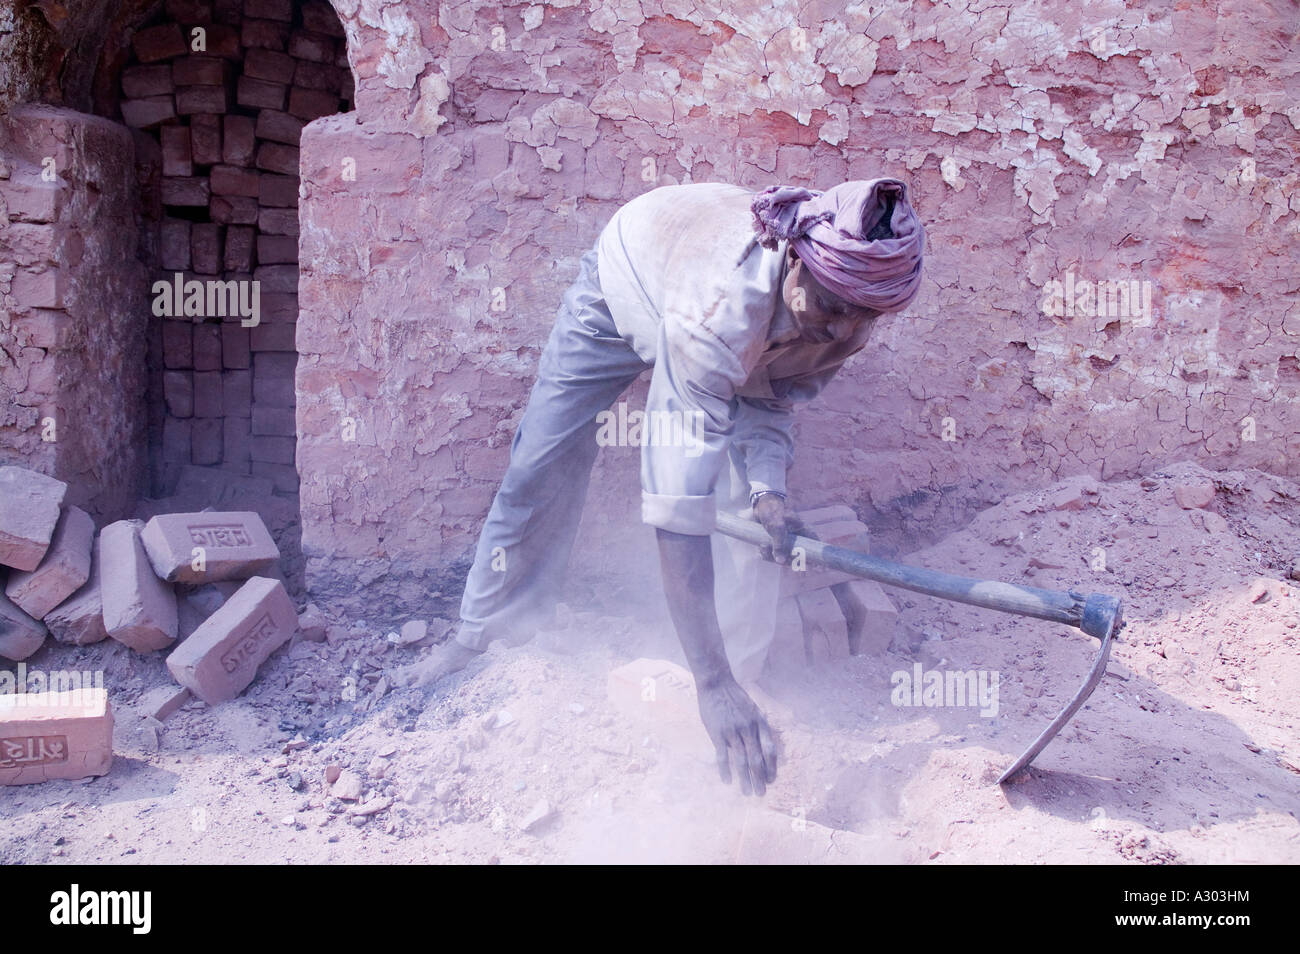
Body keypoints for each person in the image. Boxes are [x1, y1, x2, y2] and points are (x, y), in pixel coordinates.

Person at [398, 179, 926, 796]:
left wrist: (768, 495)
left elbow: (771, 402)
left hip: (708, 309)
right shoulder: (717, 309)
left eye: (861, 319)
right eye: (833, 309)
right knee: (543, 461)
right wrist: (711, 684)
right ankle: (485, 634)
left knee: (748, 516)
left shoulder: (848, 308)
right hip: (626, 280)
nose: (842, 333)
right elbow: (677, 505)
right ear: (794, 262)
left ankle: (740, 683)